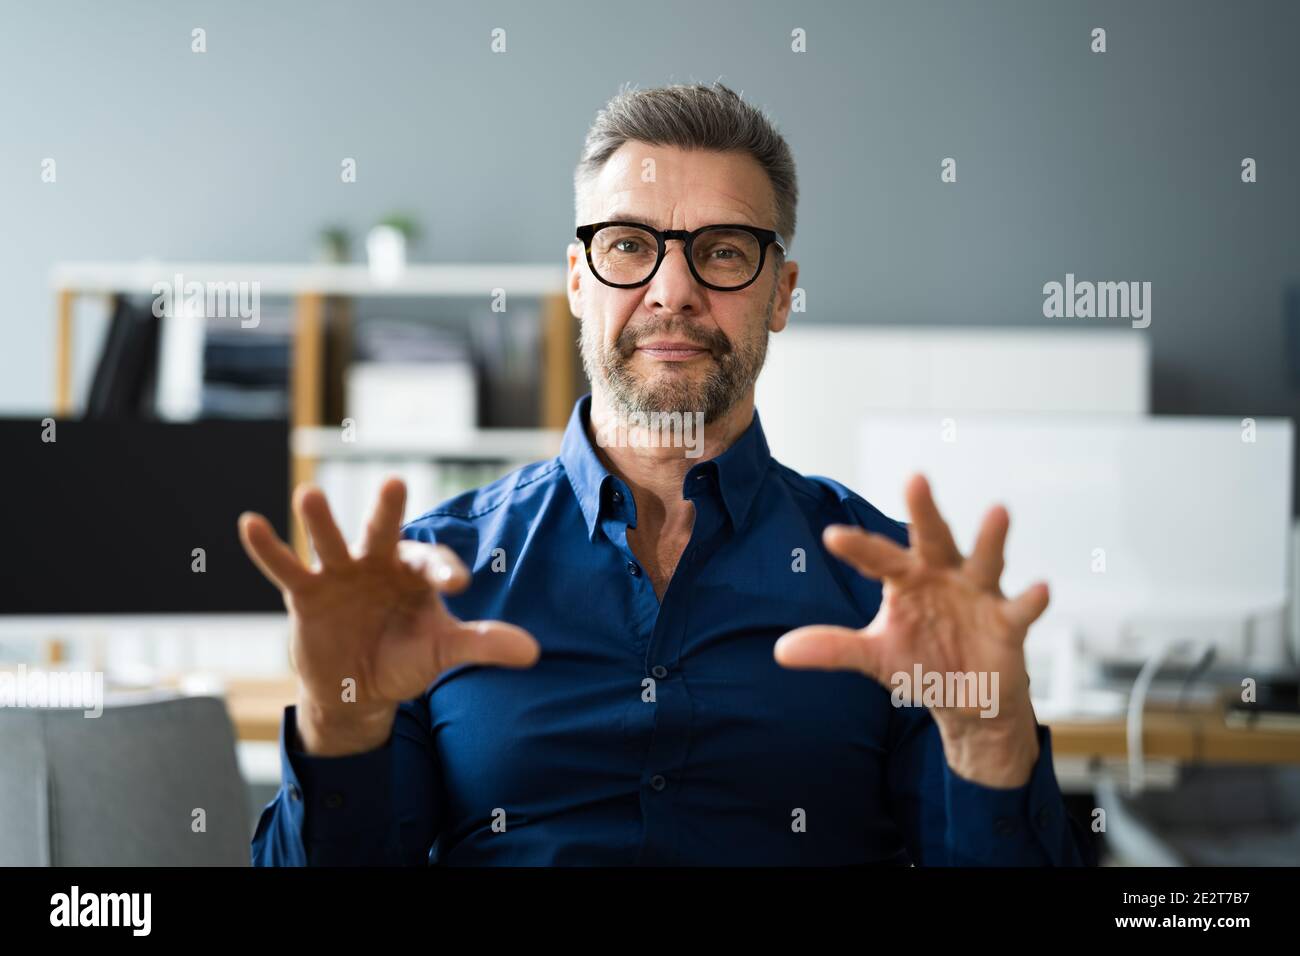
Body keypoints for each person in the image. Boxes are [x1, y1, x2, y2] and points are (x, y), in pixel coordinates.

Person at [243, 82, 1093, 866]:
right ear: (578, 282)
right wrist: (340, 723)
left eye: (723, 253)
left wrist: (992, 738)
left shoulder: (894, 593)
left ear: (782, 292)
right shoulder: (429, 578)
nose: (672, 289)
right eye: (628, 245)